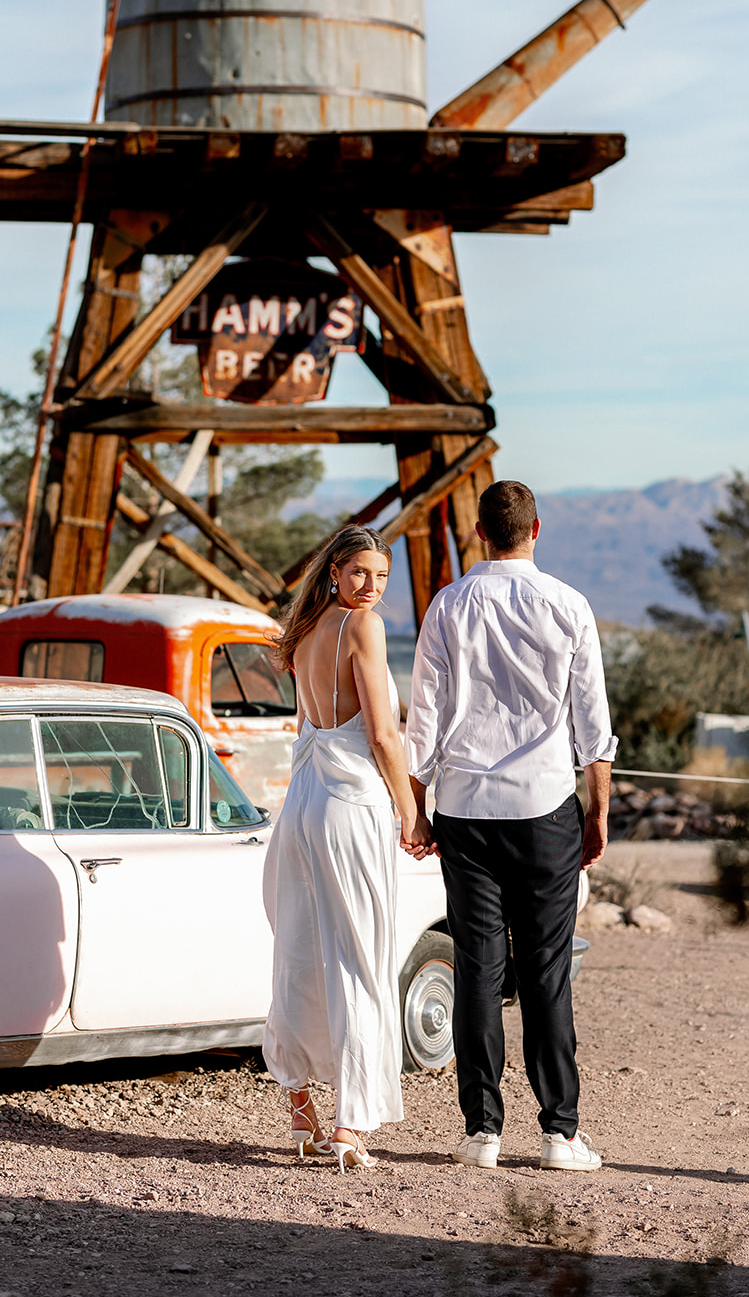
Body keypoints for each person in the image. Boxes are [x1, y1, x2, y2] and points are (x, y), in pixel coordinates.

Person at [405, 480, 616, 1172]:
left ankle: (481, 1133)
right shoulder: (568, 604)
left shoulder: (447, 605)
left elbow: (425, 717)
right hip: (545, 805)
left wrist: (415, 805)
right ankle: (559, 1134)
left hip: (464, 808)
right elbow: (592, 723)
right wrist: (599, 811)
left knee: (476, 967)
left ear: (478, 532)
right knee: (546, 973)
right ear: (536, 528)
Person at [262, 525, 435, 1172]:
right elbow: (385, 737)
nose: (372, 587)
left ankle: (302, 1108)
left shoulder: (305, 630)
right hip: (349, 804)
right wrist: (411, 812)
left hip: (304, 804)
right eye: (361, 573)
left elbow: (313, 725)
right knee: (360, 959)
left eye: (382, 577)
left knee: (302, 952)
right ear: (335, 570)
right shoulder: (360, 628)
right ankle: (350, 1126)